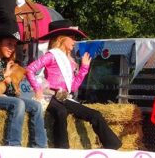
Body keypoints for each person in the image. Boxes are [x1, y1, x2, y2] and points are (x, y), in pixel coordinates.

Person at [26, 20, 121, 150]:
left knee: (95, 114)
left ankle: (113, 144)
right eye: (72, 37)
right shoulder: (51, 56)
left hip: (63, 97)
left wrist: (84, 68)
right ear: (61, 38)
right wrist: (37, 89)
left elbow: (74, 87)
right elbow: (30, 69)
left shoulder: (70, 61)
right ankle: (62, 149)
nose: (74, 41)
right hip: (50, 96)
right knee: (61, 112)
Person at [0, 25, 47, 148]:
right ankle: (13, 145)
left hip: (3, 97)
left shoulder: (7, 63)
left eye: (14, 45)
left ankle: (40, 146)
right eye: (9, 44)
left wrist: (10, 83)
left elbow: (12, 93)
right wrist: (4, 75)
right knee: (18, 104)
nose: (12, 48)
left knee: (36, 106)